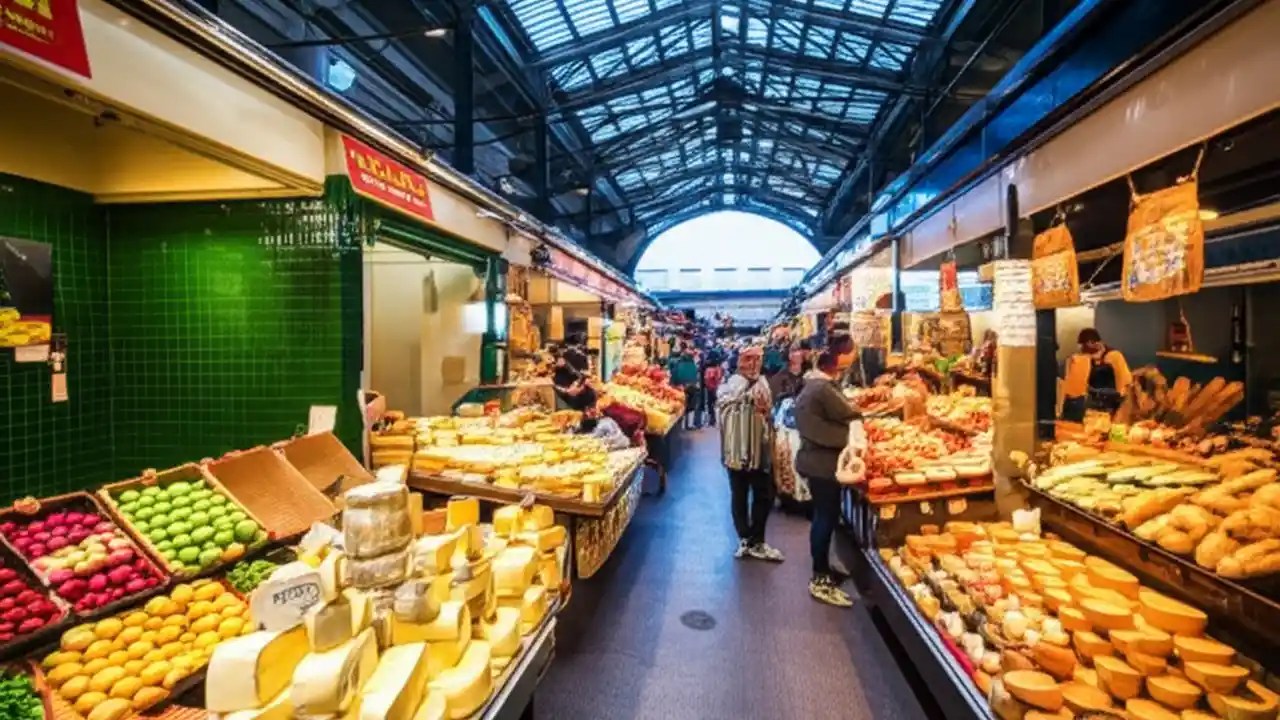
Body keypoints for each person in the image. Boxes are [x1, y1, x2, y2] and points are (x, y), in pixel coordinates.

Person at [794, 349, 860, 607]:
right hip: (822, 465)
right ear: (836, 365)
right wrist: (852, 435)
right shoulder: (821, 389)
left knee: (825, 516)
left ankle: (823, 569)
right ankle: (820, 578)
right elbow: (851, 415)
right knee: (824, 517)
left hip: (815, 462)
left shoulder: (813, 386)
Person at [717, 346, 784, 562]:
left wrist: (765, 410)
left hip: (759, 448)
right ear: (739, 360)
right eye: (748, 359)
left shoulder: (764, 382)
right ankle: (744, 538)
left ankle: (758, 539)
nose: (753, 364)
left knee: (762, 495)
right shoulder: (730, 383)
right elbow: (722, 407)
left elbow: (768, 409)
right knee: (739, 494)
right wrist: (744, 399)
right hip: (735, 449)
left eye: (757, 359)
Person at [1062, 328, 1131, 422]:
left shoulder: (1114, 355)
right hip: (1092, 401)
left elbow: (1125, 381)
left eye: (1084, 345)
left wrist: (1122, 400)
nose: (1082, 348)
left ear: (1092, 342)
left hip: (1111, 401)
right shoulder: (1085, 358)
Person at [668, 344, 701, 429]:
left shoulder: (678, 364)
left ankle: (682, 424)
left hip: (681, 387)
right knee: (691, 406)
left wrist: (673, 384)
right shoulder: (693, 365)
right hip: (692, 387)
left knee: (682, 405)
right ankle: (689, 424)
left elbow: (675, 375)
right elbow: (696, 376)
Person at [701, 350, 724, 427]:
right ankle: (715, 419)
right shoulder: (718, 366)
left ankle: (712, 419)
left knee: (710, 403)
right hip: (716, 387)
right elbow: (719, 377)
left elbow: (706, 378)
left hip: (709, 387)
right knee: (716, 403)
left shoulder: (707, 366)